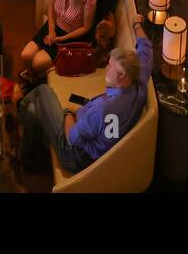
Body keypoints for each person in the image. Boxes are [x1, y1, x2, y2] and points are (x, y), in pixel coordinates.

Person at [18, 13, 152, 176]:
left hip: (73, 155)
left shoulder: (102, 109)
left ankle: (19, 108)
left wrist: (68, 112)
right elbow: (145, 48)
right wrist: (137, 24)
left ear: (122, 75)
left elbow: (71, 138)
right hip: (94, 143)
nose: (106, 70)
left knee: (43, 91)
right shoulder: (138, 80)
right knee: (34, 109)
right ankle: (28, 158)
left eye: (110, 67)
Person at [19, 0, 97, 83]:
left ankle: (38, 79)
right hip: (54, 25)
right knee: (25, 55)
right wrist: (51, 29)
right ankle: (33, 79)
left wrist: (61, 38)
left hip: (71, 35)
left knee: (38, 62)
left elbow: (86, 27)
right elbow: (51, 7)